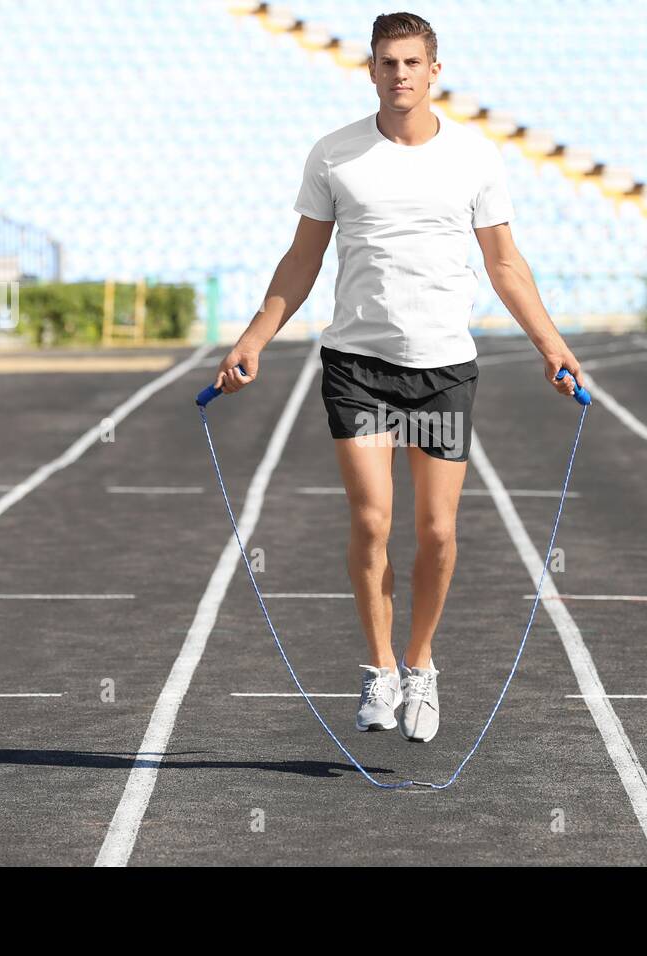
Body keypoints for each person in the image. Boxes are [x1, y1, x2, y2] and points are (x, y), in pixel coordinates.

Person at [212, 12, 582, 743]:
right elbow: (302, 259)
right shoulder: (335, 156)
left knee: (438, 531)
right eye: (388, 62)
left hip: (442, 369)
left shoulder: (474, 159)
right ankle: (379, 668)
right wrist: (255, 335)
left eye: (413, 62)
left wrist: (552, 345)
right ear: (371, 69)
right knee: (374, 519)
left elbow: (505, 265)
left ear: (434, 70)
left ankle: (422, 665)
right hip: (358, 367)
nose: (400, 74)